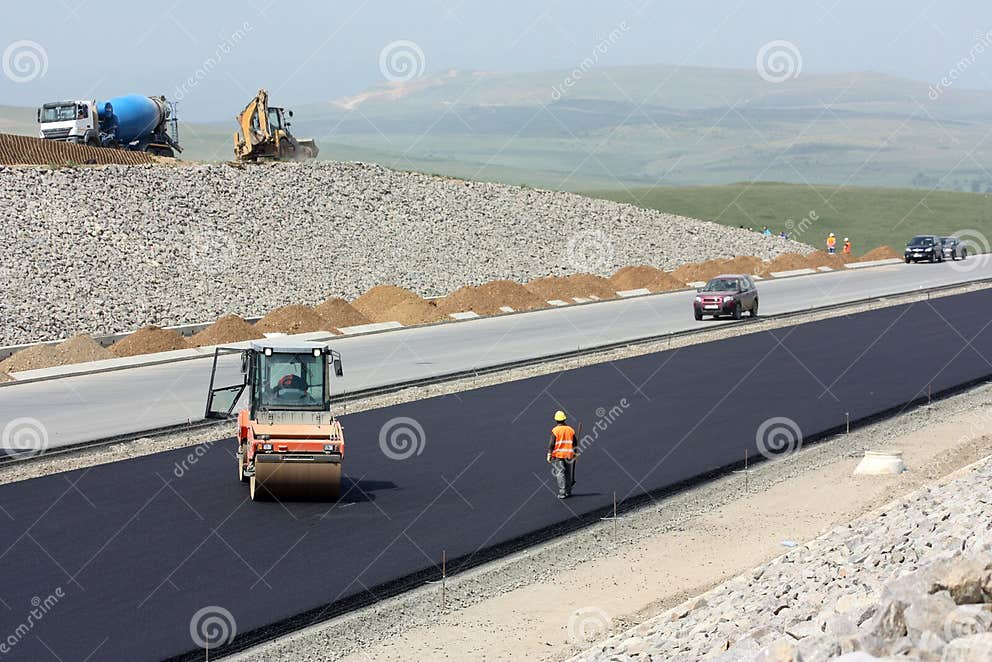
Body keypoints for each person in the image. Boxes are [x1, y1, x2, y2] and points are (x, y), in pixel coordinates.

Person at [547, 410, 576, 499]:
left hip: (558, 455)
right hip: (568, 455)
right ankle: (568, 491)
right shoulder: (570, 429)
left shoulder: (555, 430)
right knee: (567, 472)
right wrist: (574, 452)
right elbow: (575, 442)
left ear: (556, 420)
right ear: (564, 419)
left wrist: (549, 454)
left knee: (560, 473)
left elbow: (551, 444)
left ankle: (562, 492)